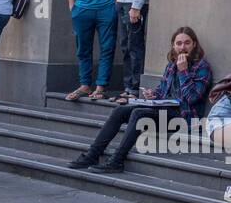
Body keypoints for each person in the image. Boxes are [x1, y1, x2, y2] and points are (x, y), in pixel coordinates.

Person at [68, 26, 211, 174]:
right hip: (165, 111)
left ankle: (117, 161)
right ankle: (92, 155)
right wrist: (152, 94)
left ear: (194, 44)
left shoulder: (202, 67)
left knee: (138, 113)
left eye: (187, 43)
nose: (183, 47)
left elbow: (192, 97)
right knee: (120, 110)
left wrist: (184, 71)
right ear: (173, 46)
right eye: (179, 43)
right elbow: (162, 92)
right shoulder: (171, 66)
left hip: (184, 118)